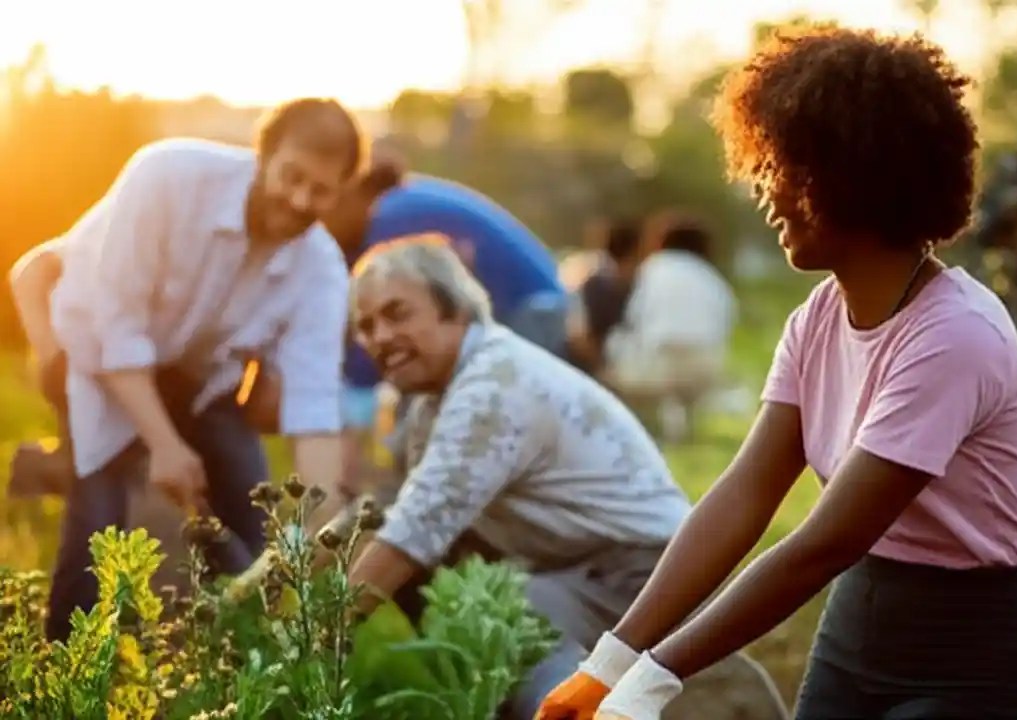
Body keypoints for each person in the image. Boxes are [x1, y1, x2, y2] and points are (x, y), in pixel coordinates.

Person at [536, 26, 1017, 720]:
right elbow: (745, 494)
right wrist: (610, 662)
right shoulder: (818, 317)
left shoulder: (953, 336)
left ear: (851, 178)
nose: (765, 192)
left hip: (973, 658)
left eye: (782, 169)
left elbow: (824, 542)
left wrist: (653, 681)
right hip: (860, 626)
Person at [30, 98, 359, 641]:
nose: (300, 199)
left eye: (320, 190)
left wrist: (320, 527)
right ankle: (66, 670)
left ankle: (245, 657)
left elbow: (313, 401)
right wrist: (163, 443)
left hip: (201, 379)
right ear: (263, 154)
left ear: (339, 191)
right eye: (291, 177)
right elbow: (118, 328)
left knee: (260, 536)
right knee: (100, 525)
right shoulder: (166, 176)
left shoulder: (321, 269)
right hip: (97, 354)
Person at [341, 237, 692, 720]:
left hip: (642, 570)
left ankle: (566, 709)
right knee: (459, 592)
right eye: (365, 326)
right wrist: (268, 580)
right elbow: (385, 507)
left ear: (454, 310)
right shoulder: (435, 397)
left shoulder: (493, 385)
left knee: (494, 618)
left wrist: (313, 639)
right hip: (577, 560)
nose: (379, 336)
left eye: (397, 313)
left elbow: (415, 530)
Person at [322, 154, 569, 478]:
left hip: (529, 309)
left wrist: (356, 396)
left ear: (350, 194)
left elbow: (380, 313)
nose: (320, 223)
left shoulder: (388, 219)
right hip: (530, 305)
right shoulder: (394, 208)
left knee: (499, 428)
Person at [600, 212, 737, 442]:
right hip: (706, 366)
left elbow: (635, 317)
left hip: (659, 365)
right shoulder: (711, 277)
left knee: (618, 344)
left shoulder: (653, 268)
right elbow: (727, 318)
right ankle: (683, 428)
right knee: (681, 380)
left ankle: (646, 425)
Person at [566, 217, 643, 374]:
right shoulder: (596, 284)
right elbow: (580, 338)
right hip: (589, 370)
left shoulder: (631, 285)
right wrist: (603, 370)